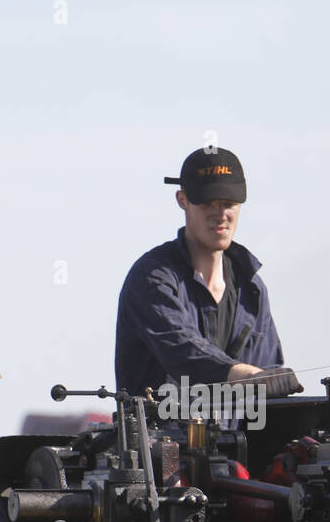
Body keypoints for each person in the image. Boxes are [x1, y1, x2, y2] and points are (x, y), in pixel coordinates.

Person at [115, 147, 301, 398]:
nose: (220, 214)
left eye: (229, 204)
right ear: (182, 200)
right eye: (207, 204)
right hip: (163, 435)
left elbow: (269, 375)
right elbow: (183, 352)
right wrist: (250, 378)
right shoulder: (152, 277)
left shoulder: (252, 288)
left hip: (239, 437)